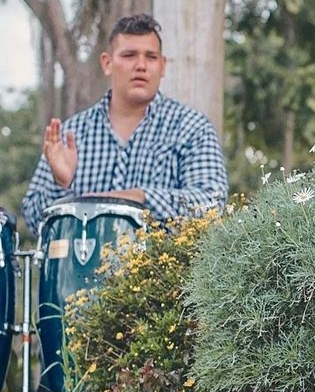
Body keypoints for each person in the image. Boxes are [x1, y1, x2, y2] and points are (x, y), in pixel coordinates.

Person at [22, 13, 228, 235]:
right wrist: (60, 183)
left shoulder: (192, 128)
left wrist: (140, 198)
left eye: (151, 57)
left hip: (163, 269)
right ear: (107, 63)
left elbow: (212, 205)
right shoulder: (70, 135)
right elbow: (34, 221)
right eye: (129, 55)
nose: (141, 65)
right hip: (81, 269)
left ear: (163, 66)